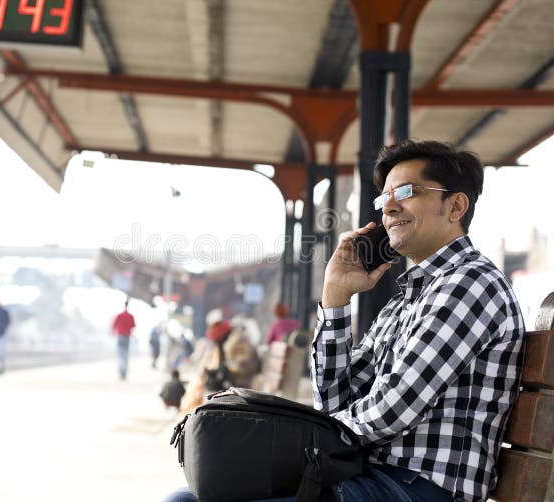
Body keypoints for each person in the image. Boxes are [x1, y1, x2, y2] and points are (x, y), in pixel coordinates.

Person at [165, 140, 525, 502]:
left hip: (419, 487)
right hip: (371, 477)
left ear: (455, 205)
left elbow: (395, 407)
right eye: (383, 199)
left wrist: (317, 434)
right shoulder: (407, 299)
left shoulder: (470, 284)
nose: (390, 207)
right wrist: (335, 299)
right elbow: (334, 400)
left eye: (405, 192)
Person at [111, 298, 136, 380]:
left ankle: (121, 372)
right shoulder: (131, 316)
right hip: (127, 337)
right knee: (125, 355)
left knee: (120, 355)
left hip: (120, 336)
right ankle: (124, 373)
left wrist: (114, 332)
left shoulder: (119, 315)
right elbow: (133, 326)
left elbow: (114, 325)